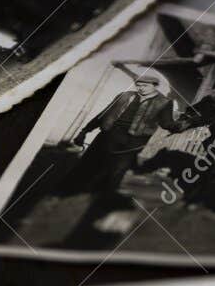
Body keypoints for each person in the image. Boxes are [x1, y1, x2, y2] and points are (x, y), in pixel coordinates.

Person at [58, 71, 196, 248]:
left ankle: (99, 217)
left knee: (114, 177)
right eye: (139, 84)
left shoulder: (164, 102)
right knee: (85, 168)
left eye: (145, 85)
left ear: (154, 86)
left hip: (130, 145)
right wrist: (84, 131)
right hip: (106, 138)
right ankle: (66, 197)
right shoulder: (124, 96)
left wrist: (186, 124)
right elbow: (103, 114)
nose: (141, 88)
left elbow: (167, 124)